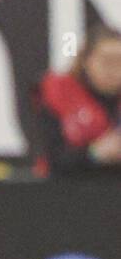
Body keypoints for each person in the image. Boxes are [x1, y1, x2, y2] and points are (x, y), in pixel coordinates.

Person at [35, 24, 121, 175]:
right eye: (106, 60)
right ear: (86, 60)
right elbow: (52, 159)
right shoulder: (59, 95)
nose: (114, 69)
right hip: (68, 191)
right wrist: (95, 153)